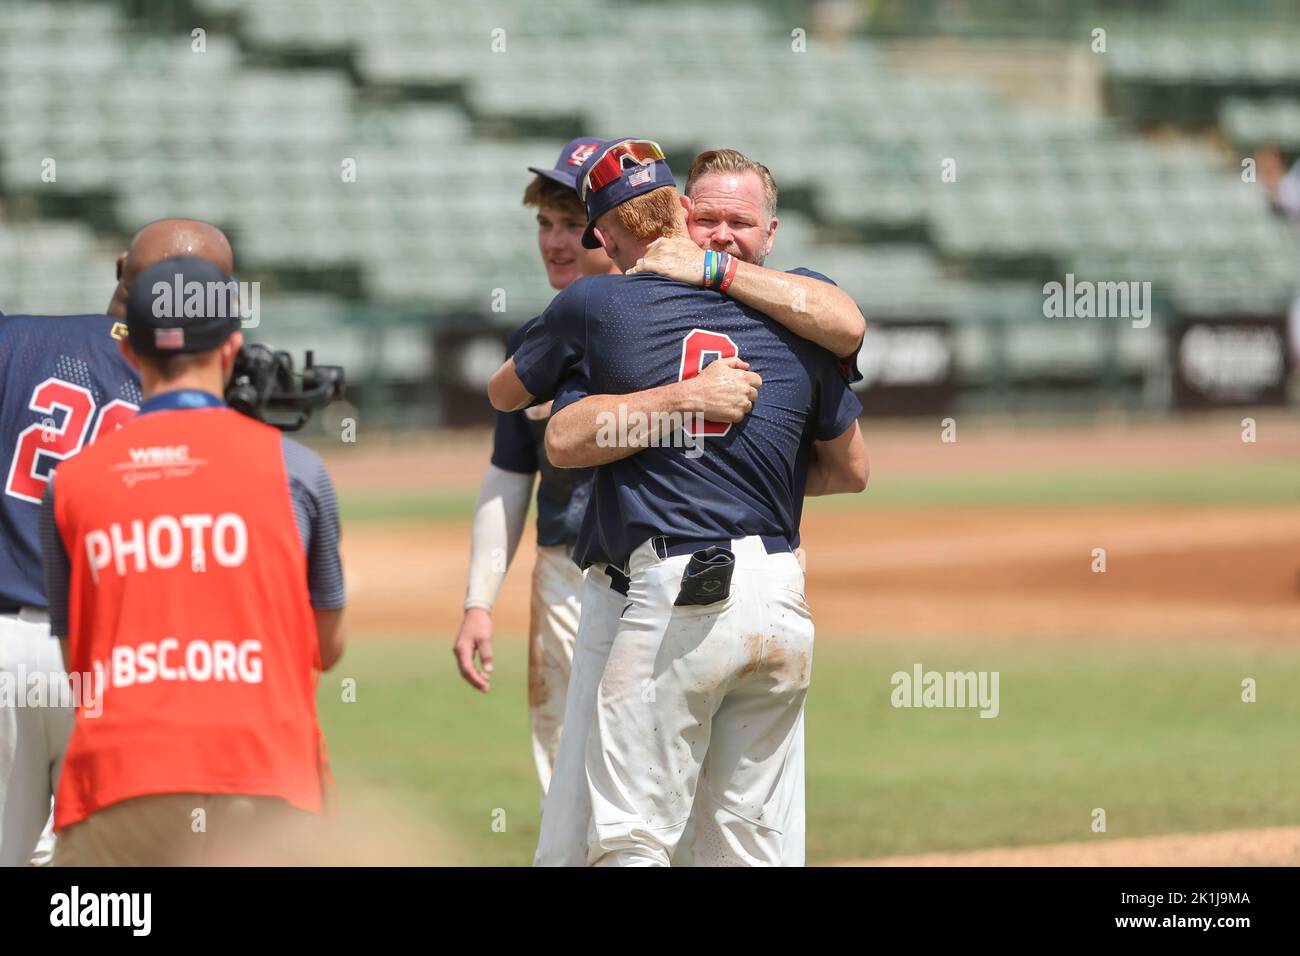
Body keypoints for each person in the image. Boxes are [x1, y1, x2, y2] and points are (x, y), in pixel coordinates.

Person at [491, 138, 868, 866]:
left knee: (629, 834)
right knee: (746, 843)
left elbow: (547, 426)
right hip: (775, 595)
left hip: (671, 592)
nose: (725, 235)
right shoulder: (801, 317)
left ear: (771, 235)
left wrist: (669, 414)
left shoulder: (609, 305)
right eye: (711, 221)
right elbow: (851, 462)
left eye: (742, 225)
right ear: (683, 212)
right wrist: (712, 428)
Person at [41, 256, 346, 866]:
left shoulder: (70, 483)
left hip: (119, 778)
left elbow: (79, 661)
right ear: (232, 345)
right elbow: (325, 646)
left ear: (131, 353)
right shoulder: (298, 469)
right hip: (266, 773)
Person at [0, 218, 232, 867]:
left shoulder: (14, 340)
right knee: (103, 883)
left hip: (3, 646)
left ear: (122, 267)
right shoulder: (203, 401)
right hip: (116, 656)